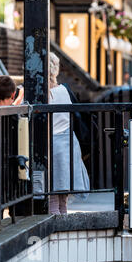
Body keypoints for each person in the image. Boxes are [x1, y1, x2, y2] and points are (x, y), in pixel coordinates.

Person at [48, 52, 89, 215]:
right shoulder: (64, 91)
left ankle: (54, 235)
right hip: (68, 144)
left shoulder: (40, 94)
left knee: (51, 195)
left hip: (50, 146)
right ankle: (63, 229)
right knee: (62, 198)